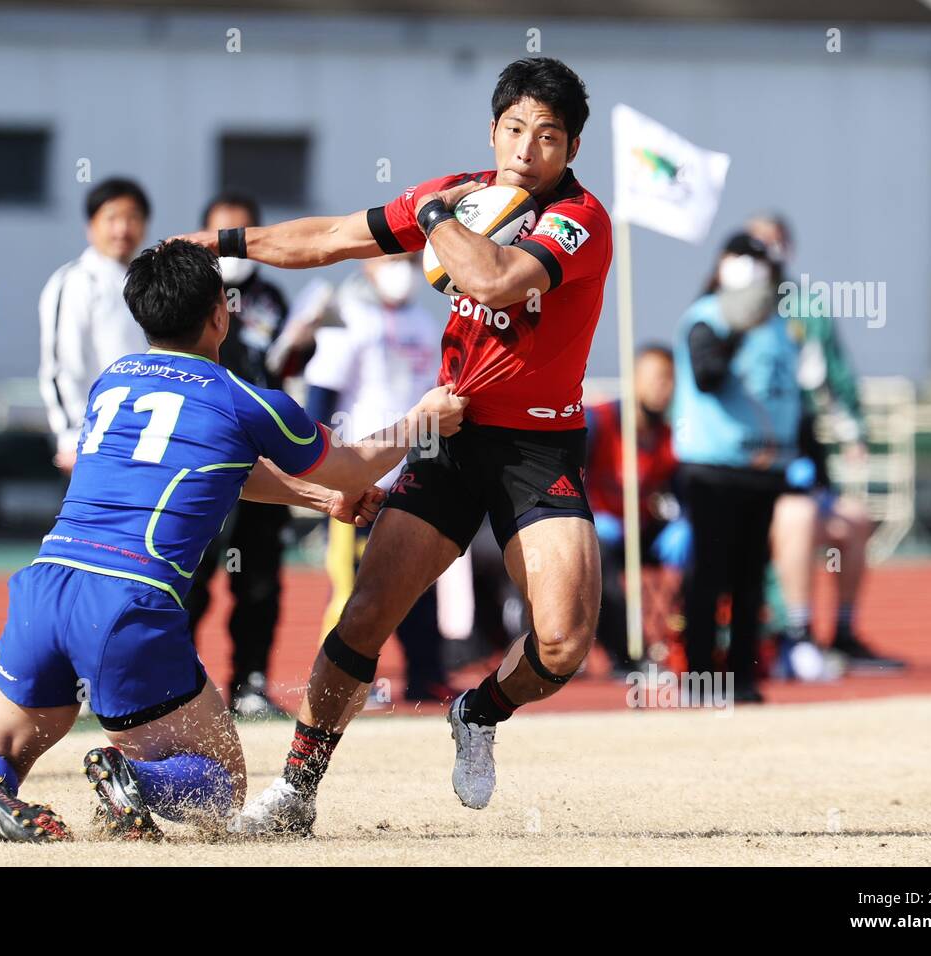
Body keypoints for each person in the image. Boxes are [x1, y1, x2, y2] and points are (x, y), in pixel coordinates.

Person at [170, 56, 612, 832]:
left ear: (571, 149)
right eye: (515, 129)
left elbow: (497, 280)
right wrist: (220, 242)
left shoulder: (579, 218)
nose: (527, 148)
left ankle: (478, 709)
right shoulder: (460, 190)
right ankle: (295, 793)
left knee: (565, 640)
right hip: (452, 430)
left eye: (548, 137)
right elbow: (332, 238)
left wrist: (439, 221)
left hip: (540, 448)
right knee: (368, 610)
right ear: (493, 129)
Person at [0, 239, 467, 843]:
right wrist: (423, 418)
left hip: (46, 585)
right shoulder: (245, 402)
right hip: (129, 602)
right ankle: (132, 778)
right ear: (222, 313)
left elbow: (222, 468)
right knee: (221, 783)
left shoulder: (112, 383)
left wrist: (319, 500)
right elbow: (352, 465)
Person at [745, 213, 905, 674]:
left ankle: (845, 633)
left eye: (774, 242)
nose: (766, 252)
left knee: (852, 522)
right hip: (746, 455)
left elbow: (834, 374)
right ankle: (788, 634)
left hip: (799, 448)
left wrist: (853, 431)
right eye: (757, 242)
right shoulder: (728, 308)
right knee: (791, 522)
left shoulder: (805, 308)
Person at [302, 253, 457, 703]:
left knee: (419, 581)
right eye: (392, 259)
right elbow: (319, 398)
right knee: (355, 587)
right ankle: (336, 684)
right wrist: (324, 472)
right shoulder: (345, 316)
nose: (401, 269)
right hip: (360, 478)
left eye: (410, 260)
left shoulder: (428, 323)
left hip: (416, 473)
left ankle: (426, 676)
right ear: (368, 264)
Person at [185, 194, 312, 720]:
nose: (232, 243)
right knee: (191, 576)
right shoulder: (191, 297)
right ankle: (174, 683)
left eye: (241, 232)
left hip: (263, 460)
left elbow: (281, 369)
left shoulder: (272, 299)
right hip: (206, 459)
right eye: (221, 233)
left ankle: (251, 684)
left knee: (259, 580)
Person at [671, 233, 802, 704]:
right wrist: (738, 323)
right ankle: (701, 678)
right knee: (709, 575)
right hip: (713, 468)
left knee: (750, 579)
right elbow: (707, 377)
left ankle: (744, 679)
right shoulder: (706, 318)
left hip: (764, 469)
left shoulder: (780, 326)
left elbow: (788, 393)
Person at [583, 344, 686, 673]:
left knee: (695, 540)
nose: (663, 388)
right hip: (603, 530)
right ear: (635, 380)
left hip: (642, 531)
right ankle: (625, 652)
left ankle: (690, 642)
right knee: (599, 548)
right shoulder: (599, 421)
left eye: (670, 380)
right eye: (656, 378)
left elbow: (678, 493)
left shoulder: (668, 438)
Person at [39, 178, 152, 474]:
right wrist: (70, 437)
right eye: (112, 218)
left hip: (146, 439)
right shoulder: (77, 280)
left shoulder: (149, 282)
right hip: (94, 443)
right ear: (91, 225)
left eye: (133, 218)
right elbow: (60, 366)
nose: (122, 229)